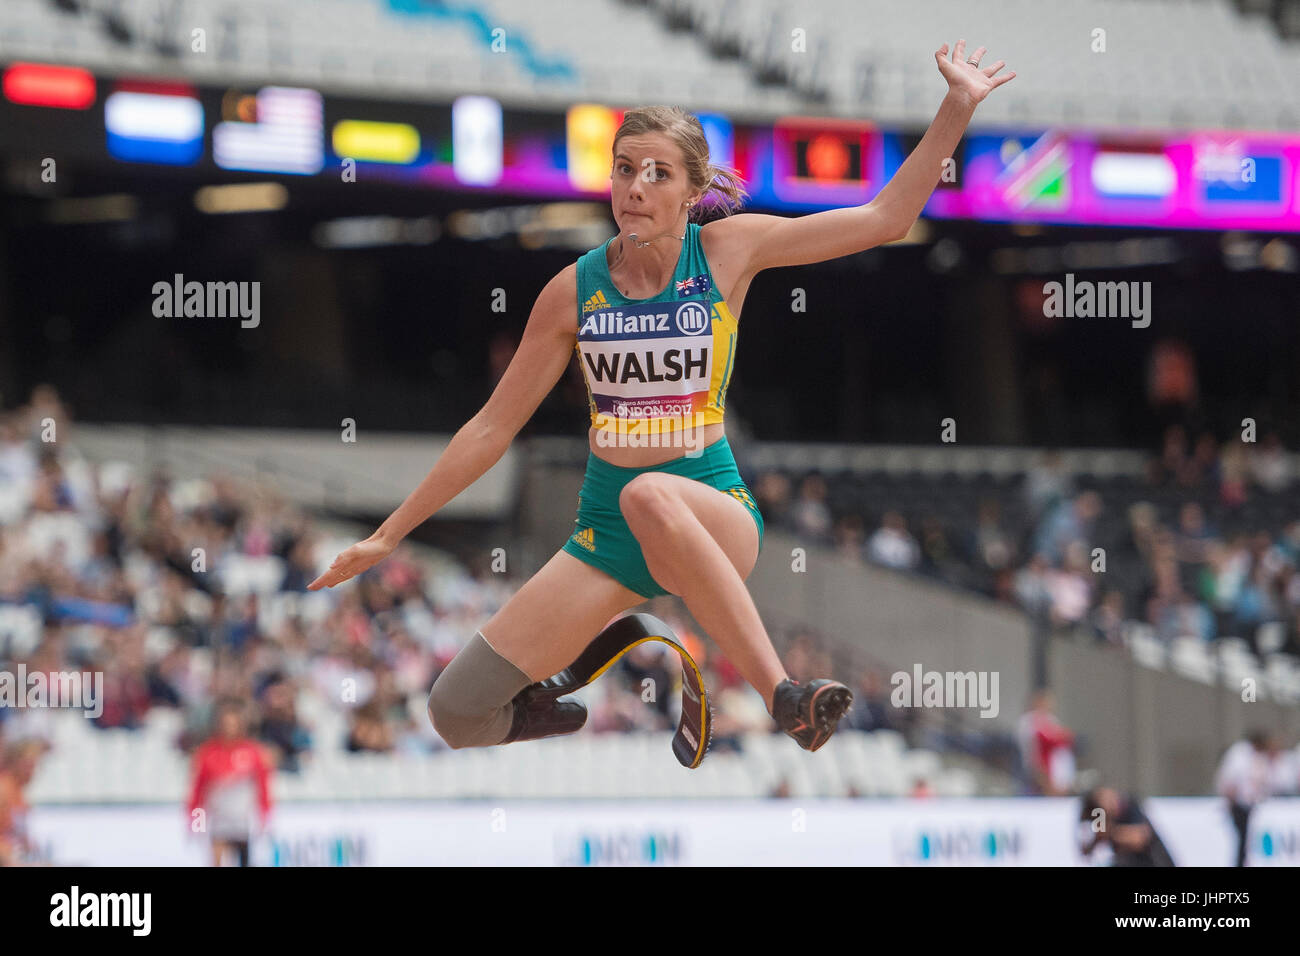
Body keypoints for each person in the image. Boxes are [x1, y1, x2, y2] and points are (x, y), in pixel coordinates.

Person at [309, 41, 1016, 754]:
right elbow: (492, 427)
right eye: (623, 169)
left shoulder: (729, 252)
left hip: (712, 514)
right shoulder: (572, 290)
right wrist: (390, 532)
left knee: (648, 494)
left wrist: (957, 106)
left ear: (692, 189)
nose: (635, 187)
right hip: (607, 538)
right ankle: (555, 701)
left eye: (657, 173)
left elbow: (885, 219)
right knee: (455, 713)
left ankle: (785, 697)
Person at [187, 698, 273, 867]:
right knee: (216, 858)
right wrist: (196, 821)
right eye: (226, 724)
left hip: (243, 817)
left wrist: (265, 814)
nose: (229, 728)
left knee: (245, 859)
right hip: (219, 816)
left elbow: (263, 786)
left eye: (233, 724)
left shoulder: (252, 751)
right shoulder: (208, 752)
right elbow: (198, 790)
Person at [1214, 729, 1278, 867]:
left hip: (1248, 803)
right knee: (1241, 837)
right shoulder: (1240, 754)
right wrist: (1231, 800)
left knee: (1246, 838)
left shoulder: (1257, 757)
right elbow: (1230, 779)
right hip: (1237, 803)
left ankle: (1242, 862)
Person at [1078, 787, 1175, 867]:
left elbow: (1140, 838)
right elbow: (1085, 852)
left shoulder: (1129, 808)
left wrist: (1110, 833)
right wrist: (1096, 839)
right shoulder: (1104, 820)